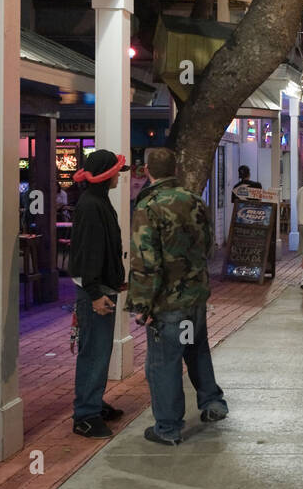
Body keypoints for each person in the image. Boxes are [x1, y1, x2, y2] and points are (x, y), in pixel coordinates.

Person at [128, 147, 226, 446]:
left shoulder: (149, 206)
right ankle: (213, 403)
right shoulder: (194, 199)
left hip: (167, 302)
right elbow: (208, 244)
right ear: (176, 170)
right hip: (195, 295)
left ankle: (168, 427)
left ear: (147, 170)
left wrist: (141, 305)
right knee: (197, 350)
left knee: (163, 363)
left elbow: (146, 261)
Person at [69, 149, 129, 439]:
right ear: (107, 175)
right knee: (94, 352)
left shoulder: (97, 202)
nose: (119, 176)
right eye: (117, 171)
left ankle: (93, 402)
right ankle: (85, 415)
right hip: (96, 292)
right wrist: (94, 293)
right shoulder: (92, 206)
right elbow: (87, 253)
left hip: (102, 287)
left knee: (99, 351)